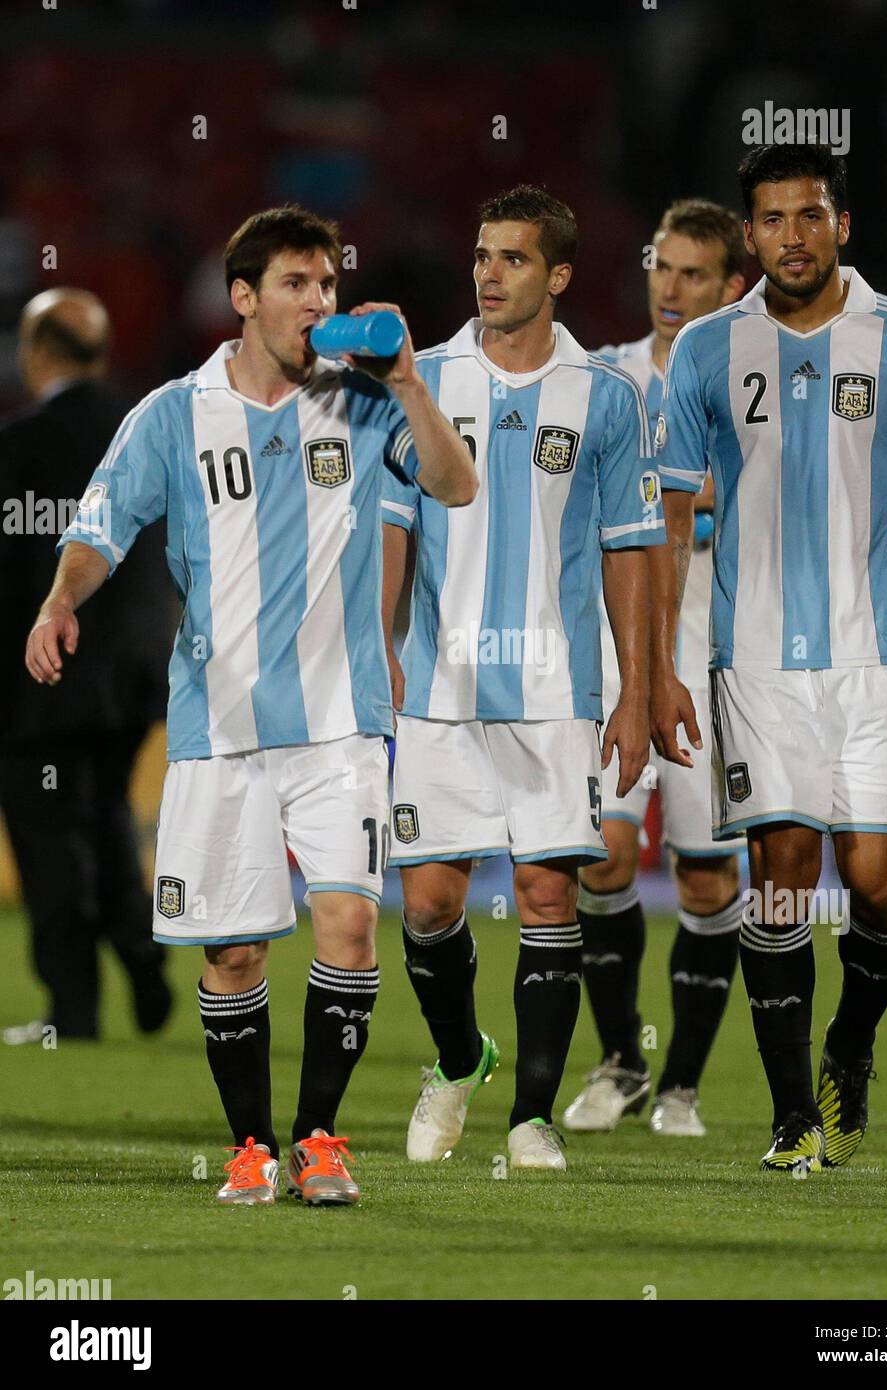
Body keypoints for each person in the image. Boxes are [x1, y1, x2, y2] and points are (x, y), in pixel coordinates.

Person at [26, 205, 477, 1205]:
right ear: (243, 298)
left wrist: (405, 380)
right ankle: (252, 1147)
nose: (319, 303)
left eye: (328, 285)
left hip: (340, 725)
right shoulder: (171, 415)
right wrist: (60, 600)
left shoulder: (361, 404)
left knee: (349, 930)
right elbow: (101, 524)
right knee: (231, 951)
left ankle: (319, 1140)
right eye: (296, 286)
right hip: (217, 726)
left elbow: (455, 483)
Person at [656, 145, 887, 1172]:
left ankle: (853, 1039)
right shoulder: (708, 350)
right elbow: (668, 514)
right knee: (781, 875)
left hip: (876, 659)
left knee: (878, 883)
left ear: (842, 225)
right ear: (746, 236)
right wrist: (661, 662)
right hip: (750, 659)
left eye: (810, 215)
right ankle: (793, 1115)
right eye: (771, 219)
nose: (791, 235)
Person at [381, 185, 663, 1171]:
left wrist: (639, 687)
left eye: (512, 258)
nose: (490, 274)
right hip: (441, 689)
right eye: (482, 254)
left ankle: (530, 1116)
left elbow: (634, 546)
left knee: (549, 894)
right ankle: (459, 1061)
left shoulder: (607, 396)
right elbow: (394, 522)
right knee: (428, 906)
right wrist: (380, 642)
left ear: (559, 276)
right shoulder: (422, 379)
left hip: (555, 691)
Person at [563, 200, 747, 1138]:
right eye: (661, 269)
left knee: (709, 878)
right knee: (604, 855)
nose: (671, 290)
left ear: (732, 287)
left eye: (693, 274)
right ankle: (620, 1062)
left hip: (723, 667)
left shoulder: (758, 391)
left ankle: (681, 1083)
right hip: (616, 660)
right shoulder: (604, 381)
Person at [0, 289, 172, 1045]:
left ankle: (74, 1009)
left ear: (35, 351)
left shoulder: (20, 443)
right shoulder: (144, 434)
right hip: (135, 676)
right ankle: (140, 952)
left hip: (40, 681)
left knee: (49, 837)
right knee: (104, 817)